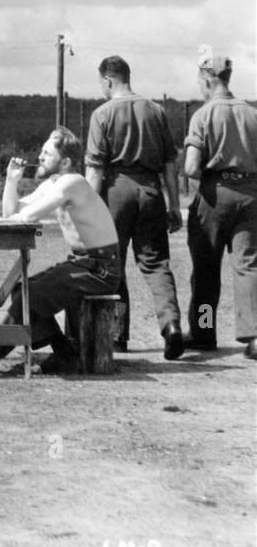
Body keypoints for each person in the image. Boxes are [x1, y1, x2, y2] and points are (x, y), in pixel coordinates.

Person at [0, 127, 123, 375]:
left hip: (101, 269)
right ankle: (65, 354)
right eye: (41, 151)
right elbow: (10, 214)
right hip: (82, 263)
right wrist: (12, 180)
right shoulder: (55, 183)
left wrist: (17, 212)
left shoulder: (72, 182)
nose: (40, 157)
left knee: (29, 296)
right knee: (22, 289)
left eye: (47, 152)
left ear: (65, 161)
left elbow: (26, 216)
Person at [83, 55, 184, 359]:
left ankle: (117, 336)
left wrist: (87, 211)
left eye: (101, 83)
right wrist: (175, 205)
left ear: (108, 80)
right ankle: (172, 327)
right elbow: (170, 163)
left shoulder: (102, 114)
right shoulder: (156, 111)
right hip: (151, 190)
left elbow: (95, 170)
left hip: (116, 190)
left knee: (113, 264)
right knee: (156, 264)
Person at [181, 51, 257, 359]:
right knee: (249, 266)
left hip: (215, 195)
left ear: (207, 79)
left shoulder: (203, 114)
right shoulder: (252, 113)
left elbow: (190, 167)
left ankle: (203, 332)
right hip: (252, 194)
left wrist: (210, 176)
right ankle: (254, 337)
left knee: (206, 270)